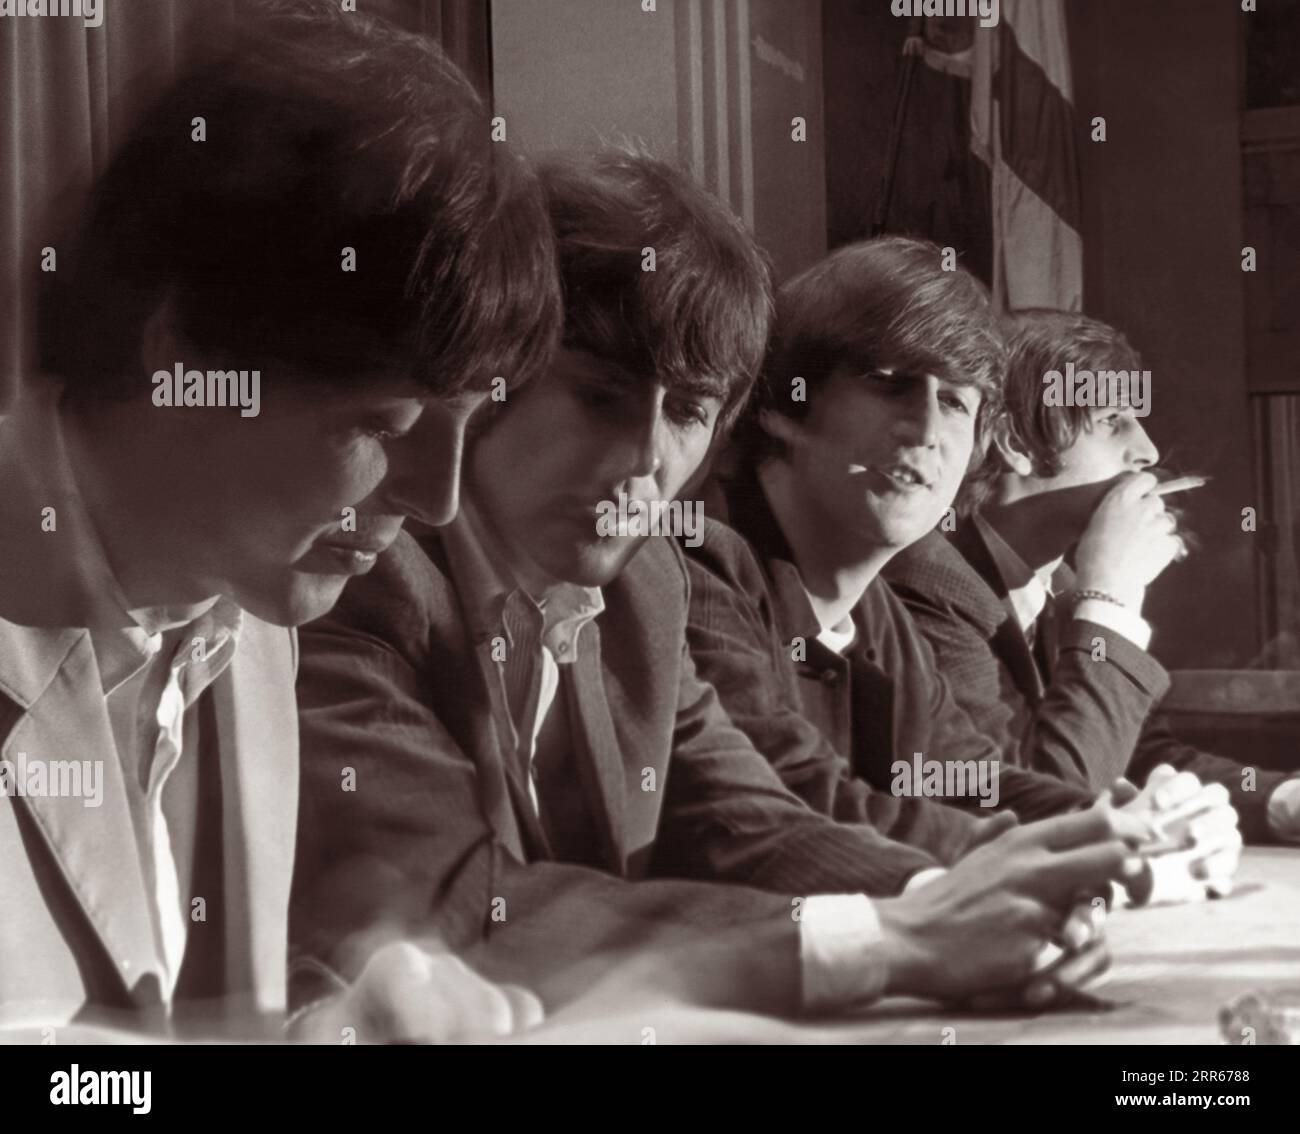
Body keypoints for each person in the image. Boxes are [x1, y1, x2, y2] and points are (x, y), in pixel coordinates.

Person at [293, 151, 1150, 1024]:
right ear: (487, 372)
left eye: (689, 412)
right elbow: (459, 906)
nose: (644, 462)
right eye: (600, 396)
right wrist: (891, 939)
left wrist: (975, 894)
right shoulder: (356, 570)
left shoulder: (645, 582)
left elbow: (746, 821)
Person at [0, 2, 558, 1041]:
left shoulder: (249, 621)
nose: (436, 503)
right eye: (382, 424)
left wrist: (321, 1017)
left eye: (466, 425)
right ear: (183, 353)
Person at [682, 238, 1241, 904]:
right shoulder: (700, 564)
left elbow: (968, 781)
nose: (927, 430)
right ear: (785, 406)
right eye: (890, 384)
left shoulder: (875, 615)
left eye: (954, 402)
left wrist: (1116, 826)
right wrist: (1089, 846)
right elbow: (800, 802)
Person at [884, 308, 1300, 848]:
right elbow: (1042, 811)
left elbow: (1134, 755)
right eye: (1113, 422)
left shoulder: (1054, 589)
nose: (1148, 452)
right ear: (1018, 445)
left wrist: (1278, 800)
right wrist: (1113, 599)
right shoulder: (928, 586)